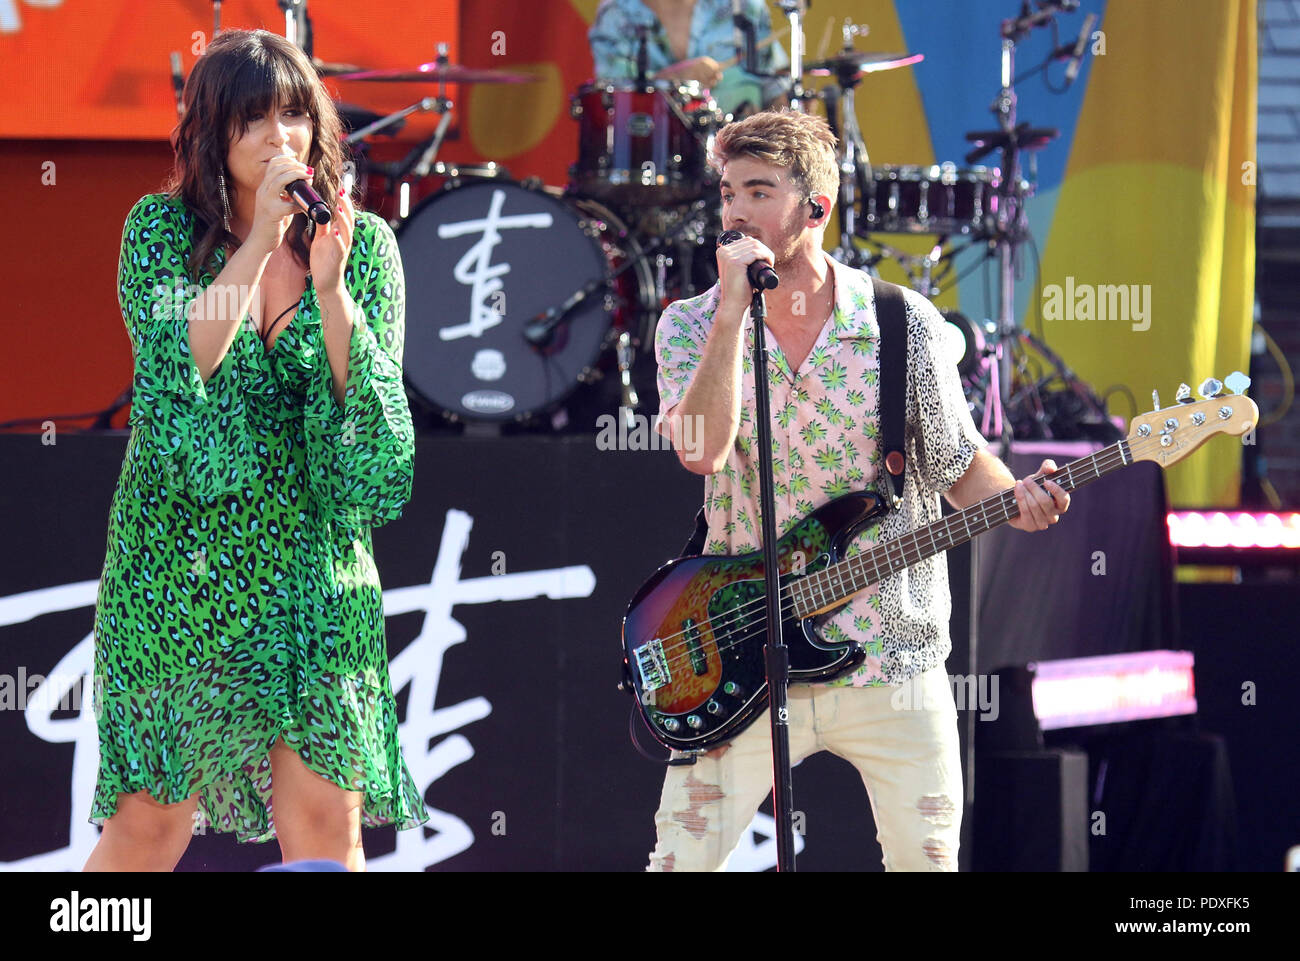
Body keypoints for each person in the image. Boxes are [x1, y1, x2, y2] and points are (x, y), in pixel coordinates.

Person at [648, 109, 1071, 871]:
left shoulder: (900, 321)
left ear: (816, 207)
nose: (735, 211)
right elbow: (700, 451)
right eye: (726, 193)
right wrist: (730, 316)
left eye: (758, 190)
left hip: (893, 653)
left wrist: (1021, 499)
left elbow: (956, 464)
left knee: (926, 860)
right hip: (747, 649)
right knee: (680, 859)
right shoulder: (689, 325)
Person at [85, 28, 428, 872]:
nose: (282, 140)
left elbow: (376, 432)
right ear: (211, 134)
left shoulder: (365, 242)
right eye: (254, 121)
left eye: (294, 116)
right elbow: (172, 374)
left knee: (325, 827)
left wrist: (332, 289)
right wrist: (257, 247)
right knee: (149, 824)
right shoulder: (160, 233)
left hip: (317, 564)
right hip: (182, 568)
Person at [589, 0, 789, 117]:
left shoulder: (744, 6)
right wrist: (676, 78)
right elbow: (612, 103)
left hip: (743, 172)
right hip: (647, 167)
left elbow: (778, 92)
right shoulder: (616, 11)